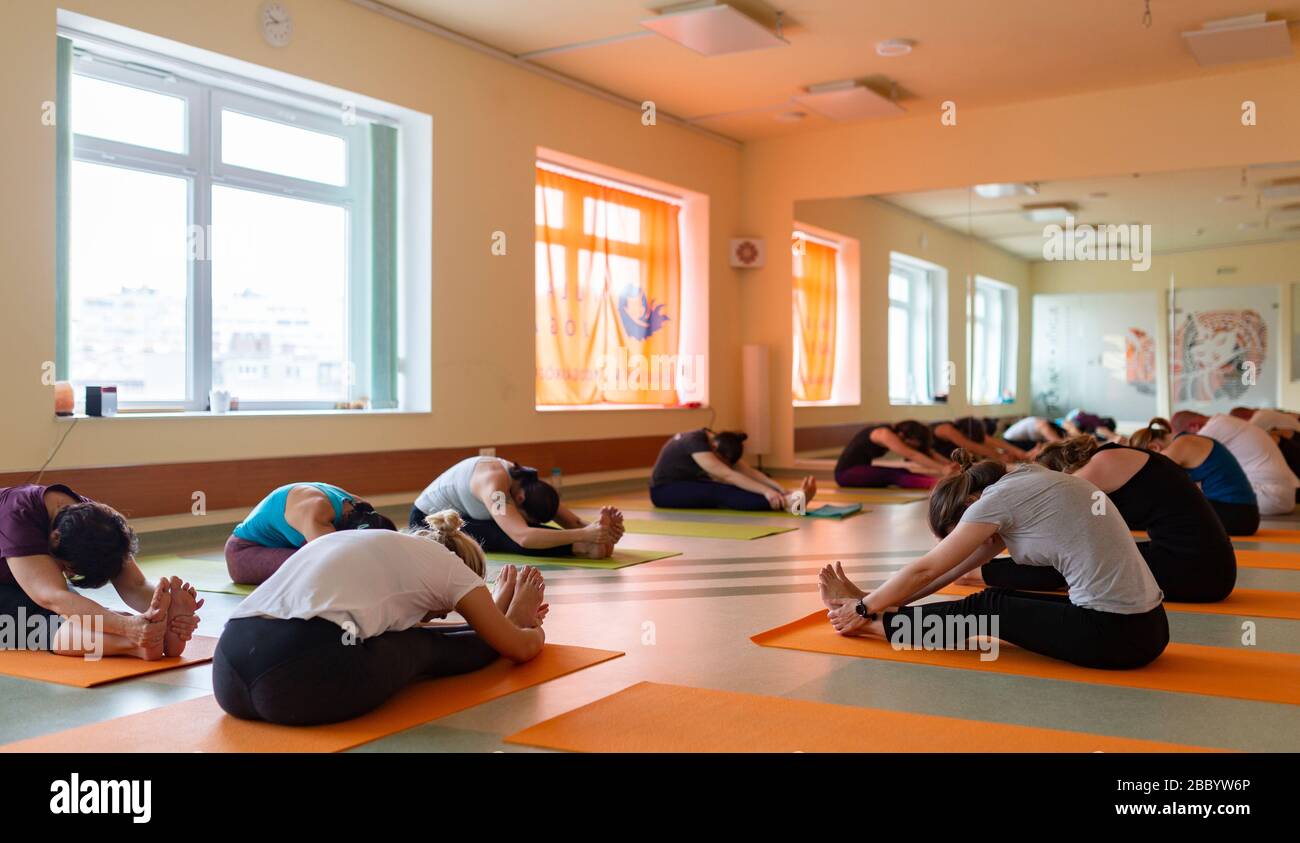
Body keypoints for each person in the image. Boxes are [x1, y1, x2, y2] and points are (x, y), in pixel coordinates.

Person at [817, 451, 1167, 669]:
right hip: (1150, 627)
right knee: (999, 601)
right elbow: (953, 570)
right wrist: (874, 599)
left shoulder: (996, 503)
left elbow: (927, 567)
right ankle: (883, 618)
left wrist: (861, 612)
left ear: (971, 502)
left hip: (1115, 635)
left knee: (990, 606)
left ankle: (876, 627)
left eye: (960, 530)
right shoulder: (1027, 481)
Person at [213, 510, 547, 726]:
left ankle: (500, 619)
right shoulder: (449, 567)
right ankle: (506, 618)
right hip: (301, 679)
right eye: (444, 612)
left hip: (228, 673)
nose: (438, 616)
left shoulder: (354, 540)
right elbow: (518, 650)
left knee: (392, 636)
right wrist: (528, 627)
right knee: (423, 645)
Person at [1021, 437, 1235, 602]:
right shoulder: (1114, 455)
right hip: (1210, 564)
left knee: (1074, 563)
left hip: (1198, 571)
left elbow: (1047, 510)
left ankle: (989, 572)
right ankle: (993, 571)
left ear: (1060, 471)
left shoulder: (1096, 468)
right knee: (1078, 556)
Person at [1, 483, 200, 659]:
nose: (66, 573)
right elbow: (53, 597)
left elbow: (135, 585)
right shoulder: (18, 515)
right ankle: (134, 644)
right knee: (37, 623)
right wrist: (126, 627)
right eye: (68, 568)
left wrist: (171, 613)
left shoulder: (101, 523)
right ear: (55, 537)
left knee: (77, 613)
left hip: (23, 583)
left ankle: (147, 637)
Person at [412, 457, 622, 558]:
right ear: (519, 499)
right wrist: (584, 536)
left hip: (465, 512)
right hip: (428, 521)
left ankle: (588, 545)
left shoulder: (527, 482)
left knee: (518, 526)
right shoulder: (495, 488)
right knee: (507, 534)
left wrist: (600, 531)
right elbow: (523, 536)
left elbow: (571, 522)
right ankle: (583, 548)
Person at [225, 482, 397, 585]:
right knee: (319, 571)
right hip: (243, 553)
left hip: (283, 543)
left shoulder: (361, 506)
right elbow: (331, 567)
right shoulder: (315, 514)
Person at [1129, 418, 1259, 536]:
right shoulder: (1186, 440)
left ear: (1154, 447)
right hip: (1241, 513)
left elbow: (1148, 483)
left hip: (1236, 515)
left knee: (1149, 518)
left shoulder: (1180, 445)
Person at [649, 429, 816, 511]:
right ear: (714, 448)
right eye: (723, 462)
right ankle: (787, 504)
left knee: (735, 485)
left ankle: (787, 499)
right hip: (663, 491)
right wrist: (767, 493)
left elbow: (748, 472)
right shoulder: (696, 443)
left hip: (686, 483)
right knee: (720, 491)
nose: (726, 464)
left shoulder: (719, 442)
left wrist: (779, 489)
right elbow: (728, 475)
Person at [1172, 411, 1298, 516]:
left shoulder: (1212, 429)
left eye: (1183, 436)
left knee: (1187, 498)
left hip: (1268, 496)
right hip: (1280, 495)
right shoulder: (1226, 422)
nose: (1183, 441)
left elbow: (1179, 469)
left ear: (1194, 426)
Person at [834, 421, 954, 489]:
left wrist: (950, 464)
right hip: (845, 474)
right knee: (895, 475)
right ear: (905, 436)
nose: (915, 447)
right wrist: (943, 469)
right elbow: (912, 454)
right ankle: (941, 485)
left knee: (903, 471)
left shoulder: (895, 433)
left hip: (857, 470)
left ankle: (941, 483)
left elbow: (927, 452)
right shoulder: (884, 433)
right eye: (915, 443)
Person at [931, 417, 1031, 463]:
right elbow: (970, 445)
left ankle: (1024, 453)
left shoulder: (968, 430)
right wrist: (1000, 457)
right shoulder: (946, 429)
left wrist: (1020, 453)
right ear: (964, 433)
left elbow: (987, 440)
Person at [1000, 416, 1065, 454]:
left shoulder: (1041, 424)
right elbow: (1059, 443)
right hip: (1010, 440)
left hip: (1010, 438)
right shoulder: (1044, 426)